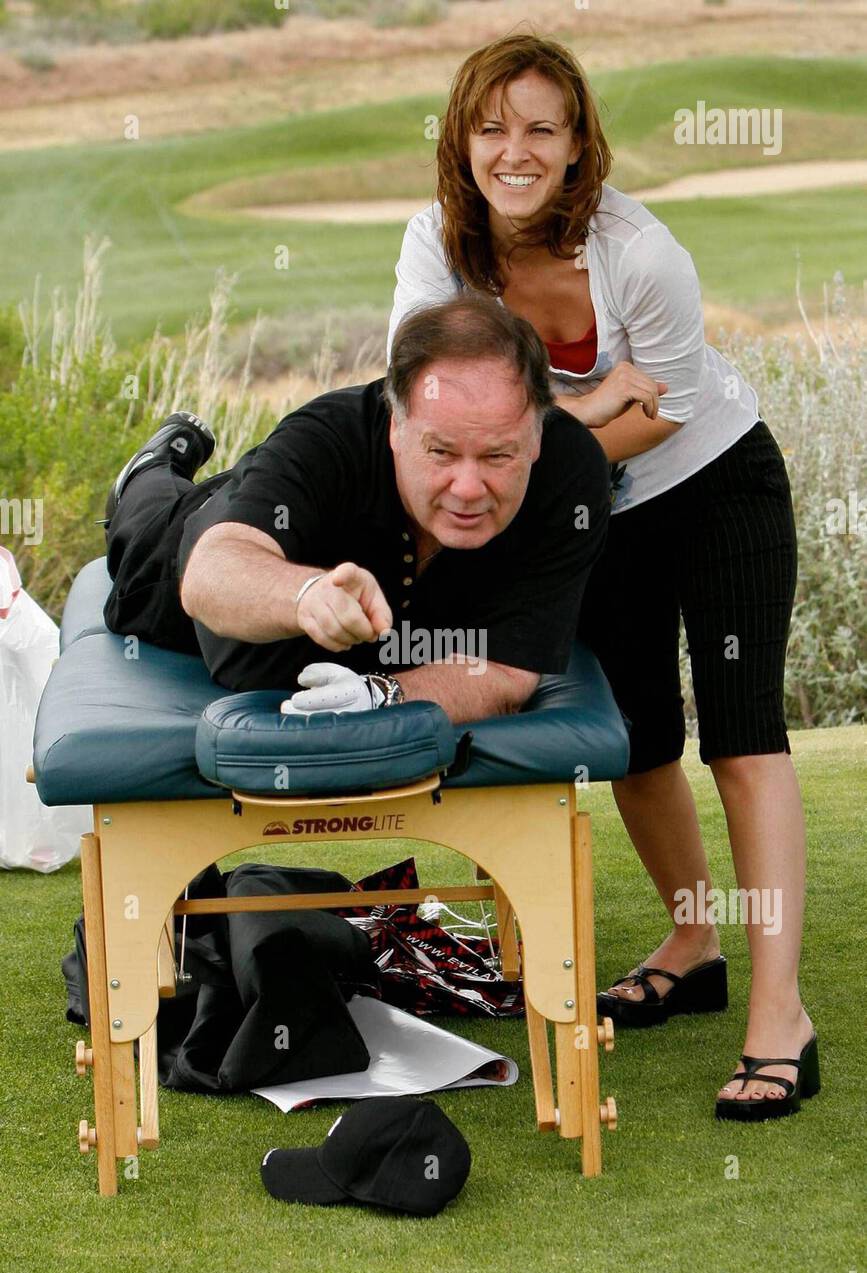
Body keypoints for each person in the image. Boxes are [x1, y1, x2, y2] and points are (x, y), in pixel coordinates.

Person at [387, 33, 817, 1119]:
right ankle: (693, 939)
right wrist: (577, 412)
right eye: (493, 126)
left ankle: (780, 1014)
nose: (515, 150)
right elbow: (424, 404)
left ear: (579, 146)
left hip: (714, 484)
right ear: (461, 138)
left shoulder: (641, 252)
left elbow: (657, 414)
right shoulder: (437, 249)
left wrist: (533, 436)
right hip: (594, 502)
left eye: (542, 127)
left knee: (742, 735)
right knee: (637, 740)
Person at [103, 295, 611, 728]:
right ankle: (155, 465)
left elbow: (504, 675)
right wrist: (306, 595)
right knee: (146, 518)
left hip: (389, 656)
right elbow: (211, 573)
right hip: (199, 573)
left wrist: (378, 698)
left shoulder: (570, 475)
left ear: (538, 435)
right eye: (442, 452)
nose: (469, 487)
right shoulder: (325, 438)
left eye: (498, 455)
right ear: (396, 427)